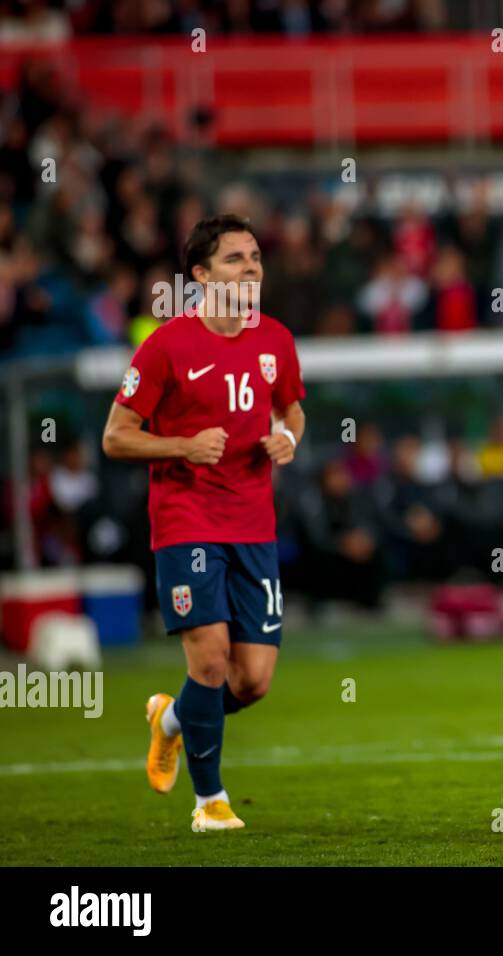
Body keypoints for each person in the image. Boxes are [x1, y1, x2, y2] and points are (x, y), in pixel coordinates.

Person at [102, 214, 306, 832]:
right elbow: (116, 437)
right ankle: (209, 802)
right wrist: (183, 446)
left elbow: (292, 412)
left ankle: (169, 720)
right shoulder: (165, 346)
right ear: (200, 275)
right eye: (235, 259)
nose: (251, 269)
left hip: (253, 524)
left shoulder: (275, 339)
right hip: (187, 519)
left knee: (251, 681)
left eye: (255, 257)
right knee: (211, 660)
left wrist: (286, 439)